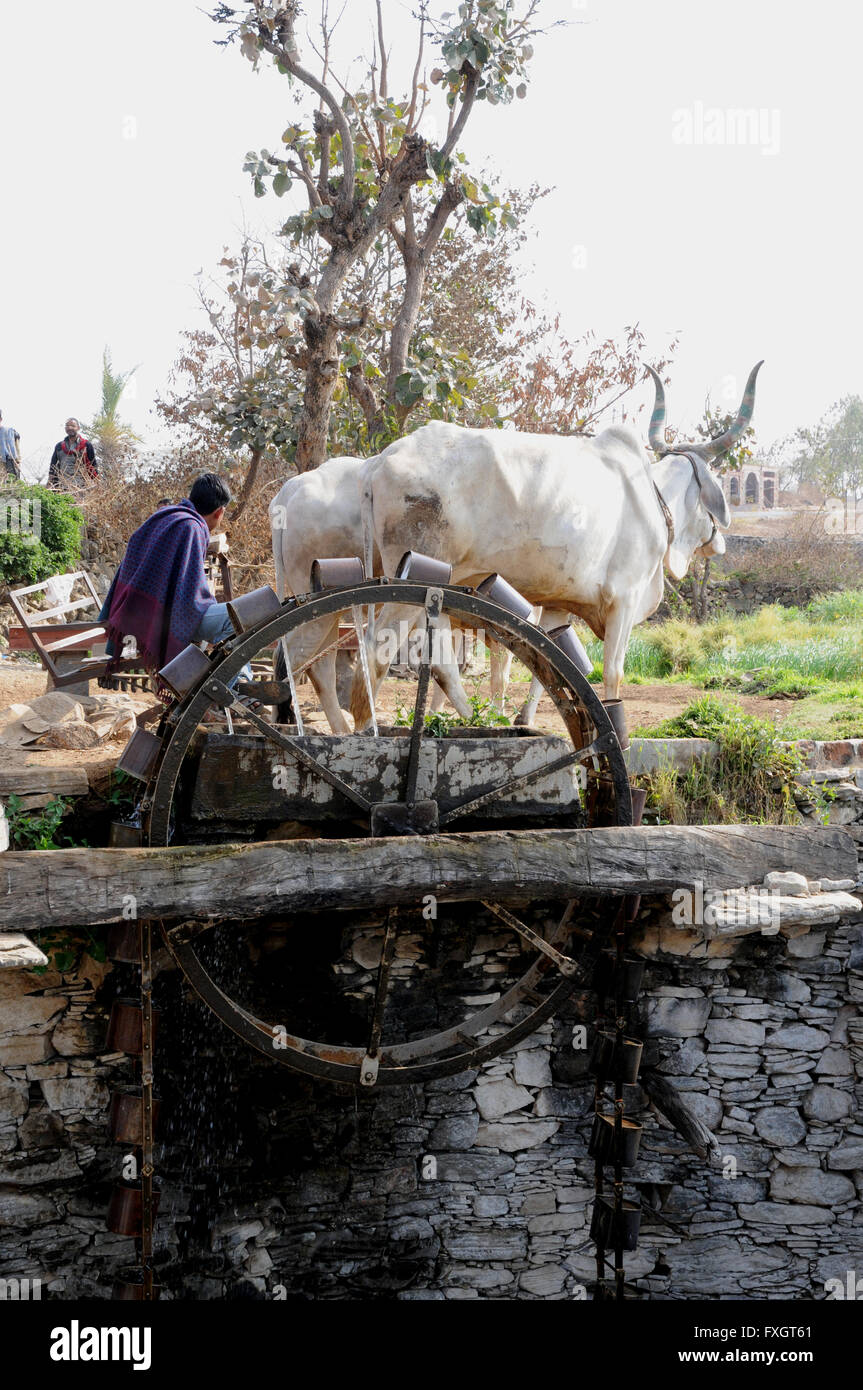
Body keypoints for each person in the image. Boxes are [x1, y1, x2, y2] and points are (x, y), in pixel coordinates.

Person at [99, 472, 253, 690]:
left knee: (229, 617)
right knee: (238, 619)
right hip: (168, 618)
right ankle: (228, 689)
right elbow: (191, 596)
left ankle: (242, 680)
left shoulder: (165, 516)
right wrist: (209, 603)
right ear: (219, 512)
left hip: (137, 613)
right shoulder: (193, 528)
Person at [48, 418, 98, 489]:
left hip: (80, 486)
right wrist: (50, 483)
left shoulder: (86, 445)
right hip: (62, 486)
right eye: (67, 426)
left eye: (73, 426)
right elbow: (53, 466)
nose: (69, 428)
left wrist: (97, 482)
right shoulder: (59, 446)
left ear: (78, 428)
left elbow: (93, 465)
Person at [0, 410, 21, 478]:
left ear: (1, 419)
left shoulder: (10, 432)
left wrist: (16, 463)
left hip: (7, 466)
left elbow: (17, 454)